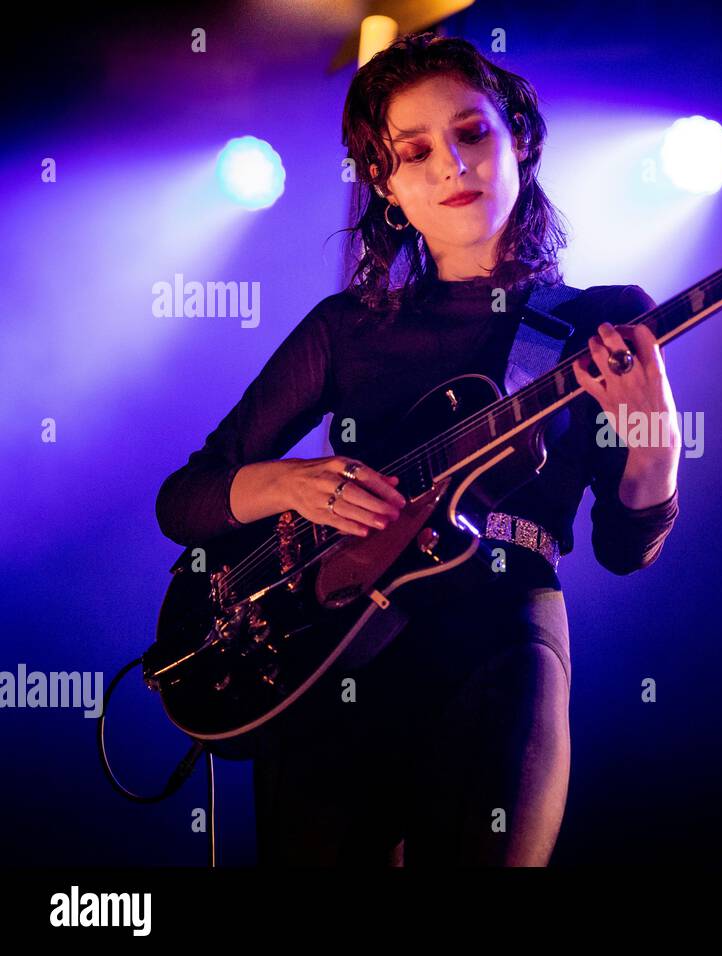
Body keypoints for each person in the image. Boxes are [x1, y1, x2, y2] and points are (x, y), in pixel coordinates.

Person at [154, 32, 682, 866]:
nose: (451, 166)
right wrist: (294, 485)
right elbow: (184, 500)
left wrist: (658, 444)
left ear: (520, 139)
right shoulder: (348, 329)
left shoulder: (601, 320)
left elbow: (624, 549)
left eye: (472, 133)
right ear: (387, 186)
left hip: (502, 637)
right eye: (415, 151)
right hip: (326, 649)